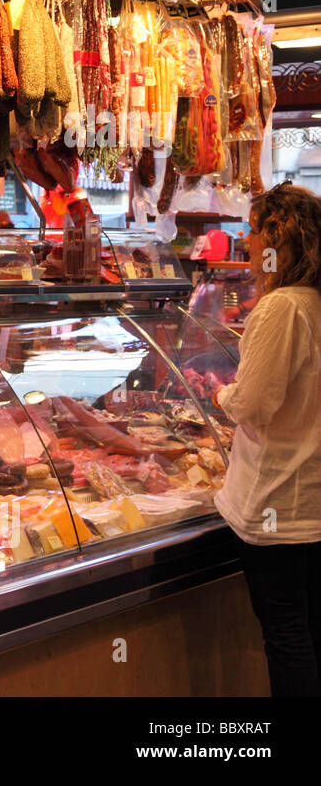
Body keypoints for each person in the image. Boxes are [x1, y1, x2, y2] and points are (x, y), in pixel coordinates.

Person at [213, 182, 321, 696]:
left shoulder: (283, 308)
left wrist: (222, 398)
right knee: (311, 631)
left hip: (280, 504)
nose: (249, 242)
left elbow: (254, 406)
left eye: (254, 231)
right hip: (313, 503)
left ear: (277, 239)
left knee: (287, 636)